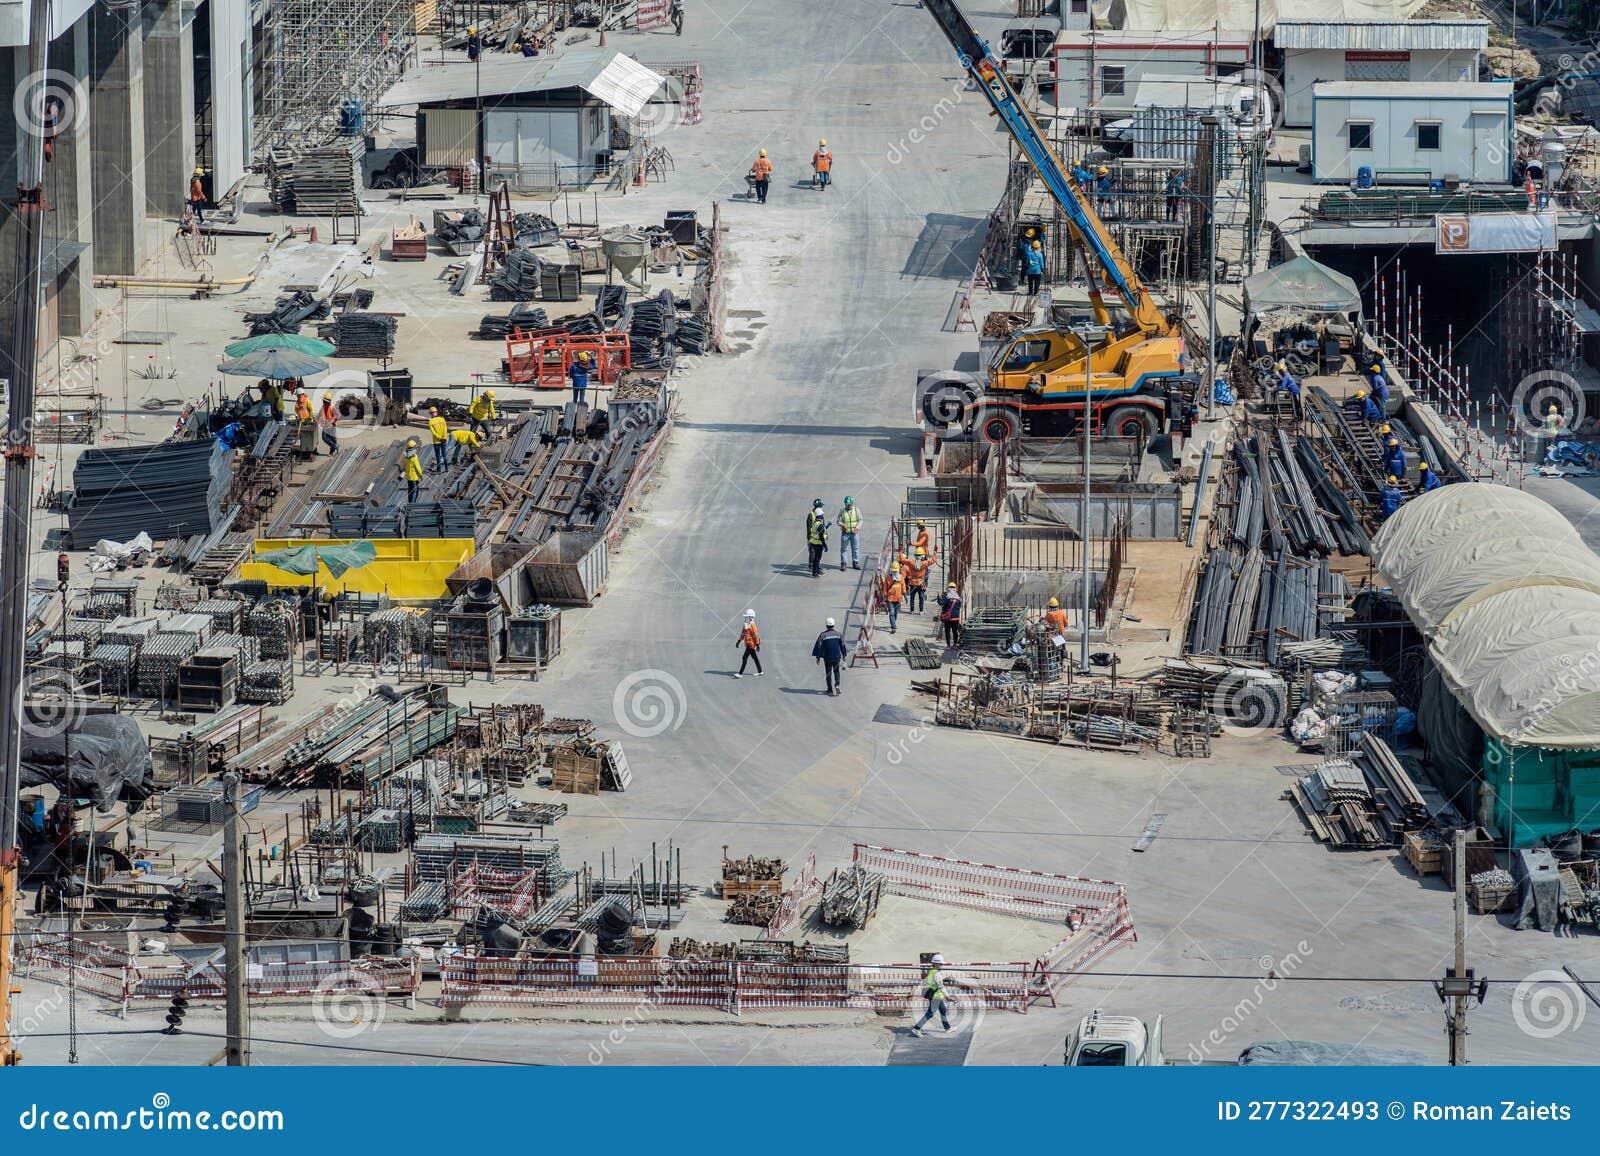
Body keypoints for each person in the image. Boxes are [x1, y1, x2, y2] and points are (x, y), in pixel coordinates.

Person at [910, 954, 950, 1036]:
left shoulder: (931, 971)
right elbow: (940, 986)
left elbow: (932, 982)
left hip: (937, 995)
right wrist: (948, 996)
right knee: (930, 1013)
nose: (942, 965)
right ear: (935, 964)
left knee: (943, 1010)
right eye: (941, 964)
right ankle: (916, 1028)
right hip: (936, 996)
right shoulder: (937, 973)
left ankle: (947, 1028)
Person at [812, 617, 846, 696]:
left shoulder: (823, 635)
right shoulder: (839, 634)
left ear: (826, 625)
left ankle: (830, 690)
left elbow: (819, 647)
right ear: (834, 625)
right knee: (836, 671)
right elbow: (842, 645)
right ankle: (837, 684)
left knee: (828, 673)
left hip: (827, 658)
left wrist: (818, 658)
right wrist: (844, 655)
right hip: (837, 657)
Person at [903, 545, 935, 613]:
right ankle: (921, 610)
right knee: (921, 597)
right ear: (922, 556)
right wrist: (935, 552)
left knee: (912, 597)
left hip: (912, 583)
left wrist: (900, 552)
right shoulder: (924, 563)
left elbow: (902, 560)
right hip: (920, 583)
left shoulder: (911, 562)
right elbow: (933, 560)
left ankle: (912, 610)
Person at [805, 498, 829, 577]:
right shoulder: (812, 514)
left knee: (817, 556)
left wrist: (826, 533)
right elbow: (809, 527)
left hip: (818, 538)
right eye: (821, 506)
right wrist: (809, 538)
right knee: (813, 553)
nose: (822, 507)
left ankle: (817, 568)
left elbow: (822, 527)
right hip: (814, 538)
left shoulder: (820, 514)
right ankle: (812, 567)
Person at [735, 609, 762, 677]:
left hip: (751, 645)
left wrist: (757, 644)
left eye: (747, 617)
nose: (745, 618)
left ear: (751, 617)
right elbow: (743, 633)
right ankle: (760, 671)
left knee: (744, 658)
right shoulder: (746, 624)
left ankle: (740, 673)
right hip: (748, 644)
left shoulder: (752, 625)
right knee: (754, 657)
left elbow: (756, 635)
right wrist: (739, 641)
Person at [837, 495, 860, 570]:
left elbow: (861, 520)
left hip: (854, 533)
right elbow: (838, 521)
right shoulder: (842, 511)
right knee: (844, 549)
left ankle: (855, 562)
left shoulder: (856, 510)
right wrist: (842, 525)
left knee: (855, 548)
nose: (848, 506)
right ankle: (843, 563)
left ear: (852, 503)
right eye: (847, 504)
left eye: (849, 504)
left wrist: (857, 528)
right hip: (845, 533)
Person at [936, 583, 963, 648]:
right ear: (955, 588)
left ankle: (948, 645)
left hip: (948, 618)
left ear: (948, 588)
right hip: (956, 618)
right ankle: (955, 644)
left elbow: (942, 604)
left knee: (947, 631)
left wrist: (938, 598)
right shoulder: (958, 597)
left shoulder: (947, 597)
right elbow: (960, 606)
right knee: (955, 631)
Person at [882, 569, 904, 634]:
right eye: (893, 571)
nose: (894, 572)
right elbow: (885, 588)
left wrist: (905, 596)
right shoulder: (887, 577)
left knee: (896, 613)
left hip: (898, 599)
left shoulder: (901, 577)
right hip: (890, 599)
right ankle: (893, 627)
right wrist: (885, 595)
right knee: (892, 612)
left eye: (895, 571)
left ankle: (893, 622)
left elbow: (903, 587)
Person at [428, 406, 450, 473]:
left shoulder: (431, 422)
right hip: (443, 440)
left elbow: (434, 433)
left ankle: (439, 470)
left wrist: (440, 438)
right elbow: (445, 429)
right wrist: (444, 437)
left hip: (437, 441)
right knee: (444, 454)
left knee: (438, 456)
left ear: (430, 414)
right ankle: (446, 469)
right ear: (436, 412)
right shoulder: (442, 419)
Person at [317, 391, 339, 455]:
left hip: (332, 426)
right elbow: (319, 415)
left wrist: (333, 422)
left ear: (327, 402)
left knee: (332, 439)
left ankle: (332, 451)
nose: (323, 402)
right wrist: (315, 420)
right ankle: (335, 446)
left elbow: (337, 415)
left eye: (324, 401)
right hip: (326, 426)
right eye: (323, 401)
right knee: (324, 438)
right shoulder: (323, 408)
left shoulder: (332, 408)